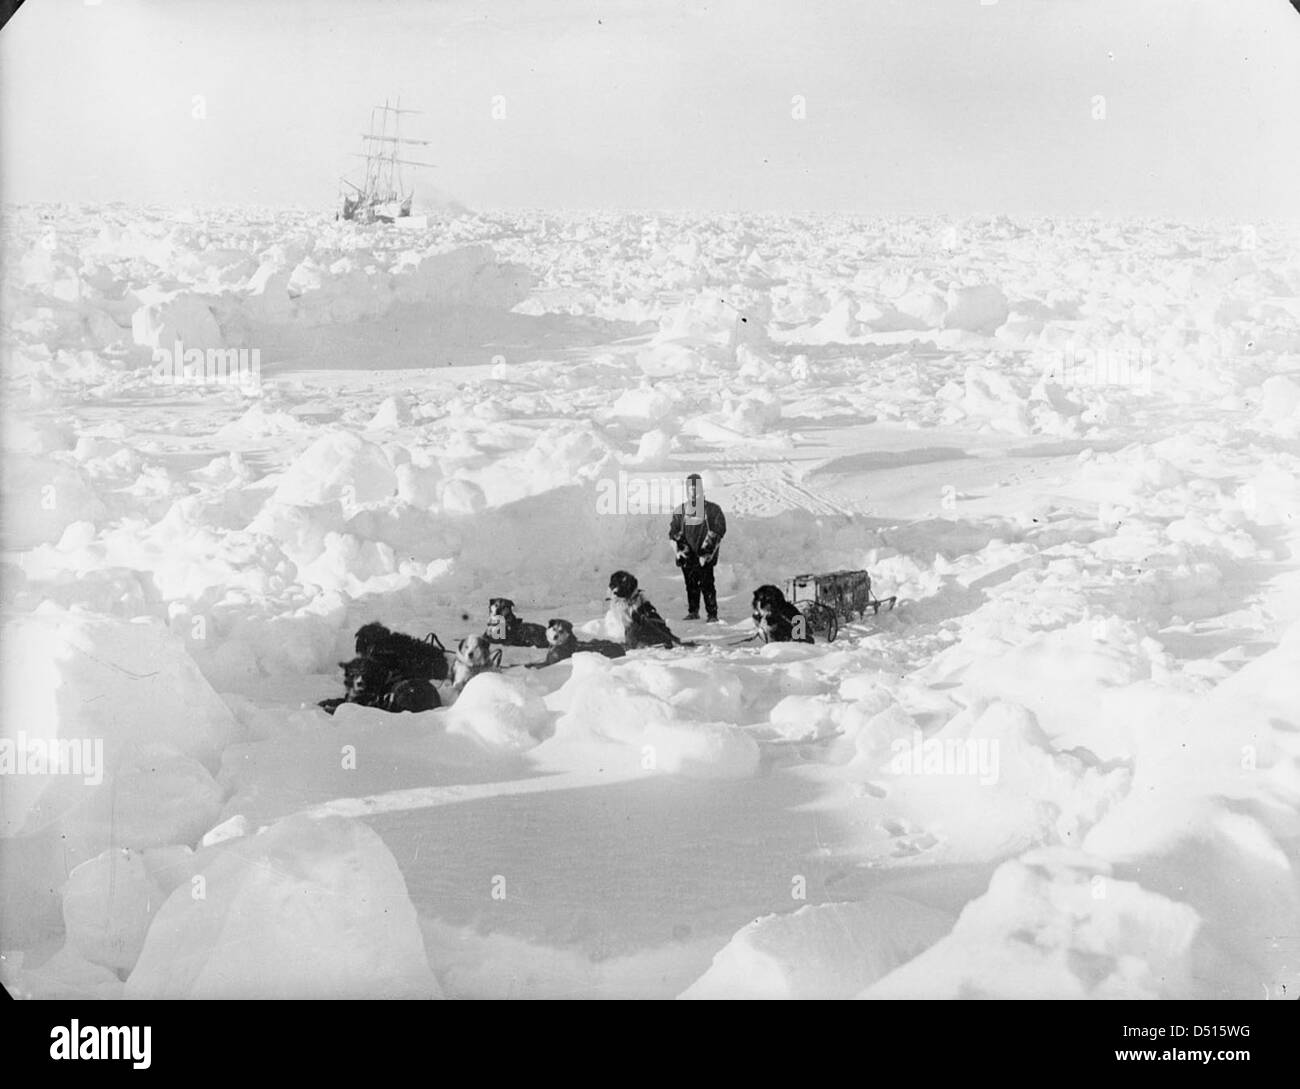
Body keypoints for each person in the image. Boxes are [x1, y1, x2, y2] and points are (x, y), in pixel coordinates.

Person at [668, 473, 727, 622]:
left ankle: (712, 614)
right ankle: (693, 611)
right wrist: (682, 549)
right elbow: (673, 531)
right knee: (690, 585)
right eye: (690, 489)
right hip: (688, 556)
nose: (693, 492)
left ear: (701, 489)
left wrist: (707, 551)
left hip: (704, 556)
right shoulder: (680, 510)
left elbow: (720, 529)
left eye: (696, 488)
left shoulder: (713, 509)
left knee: (708, 584)